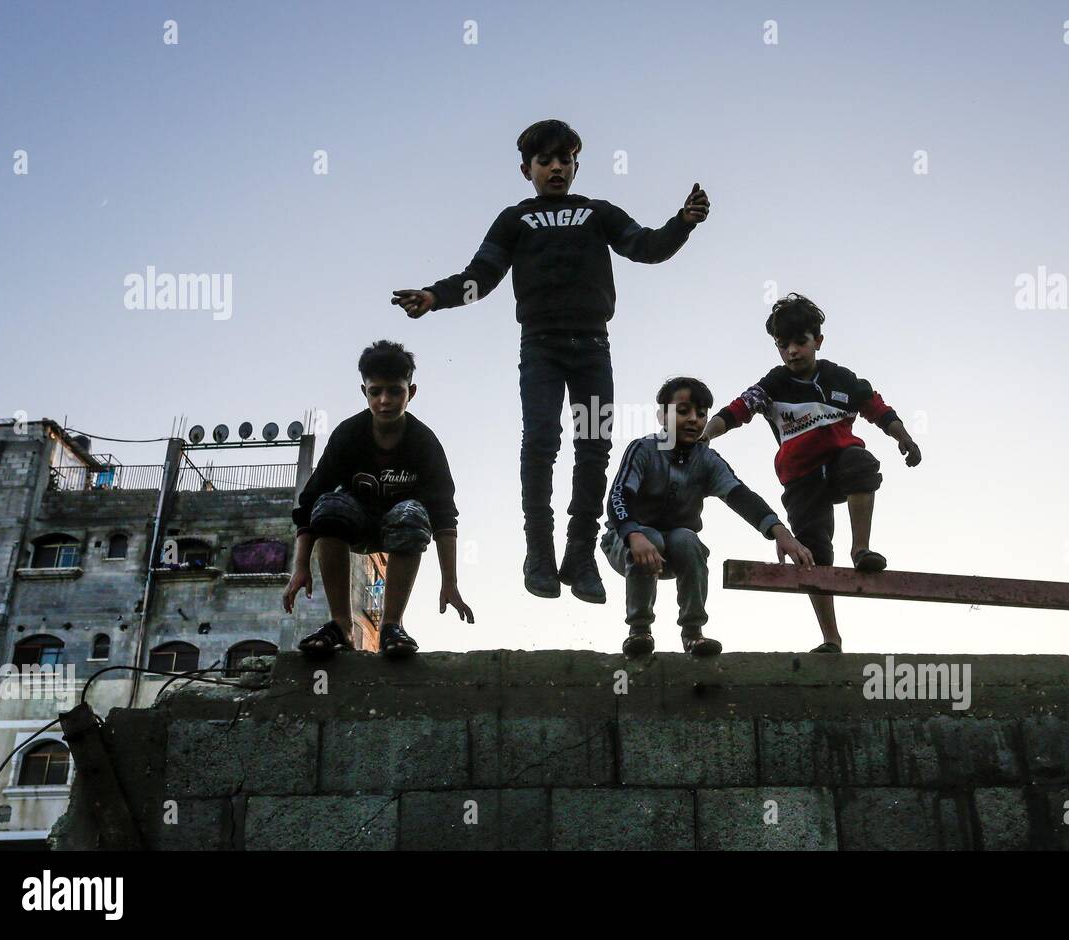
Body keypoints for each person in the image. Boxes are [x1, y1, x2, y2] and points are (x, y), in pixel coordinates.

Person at [391, 118, 710, 605]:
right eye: (546, 161)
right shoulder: (515, 219)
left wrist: (682, 222)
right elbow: (482, 275)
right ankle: (538, 552)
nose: (556, 168)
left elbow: (646, 247)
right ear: (527, 170)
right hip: (540, 346)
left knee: (593, 444)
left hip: (593, 347)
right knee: (541, 441)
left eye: (566, 160)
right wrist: (435, 295)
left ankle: (578, 555)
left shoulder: (597, 212)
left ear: (576, 165)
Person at [702, 293, 922, 653]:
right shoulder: (773, 384)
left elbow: (877, 407)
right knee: (814, 552)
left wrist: (905, 438)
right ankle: (831, 638)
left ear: (817, 341)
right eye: (783, 345)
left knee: (860, 462)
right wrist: (704, 437)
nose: (792, 352)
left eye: (800, 343)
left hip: (839, 465)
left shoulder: (840, 378)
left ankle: (861, 548)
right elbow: (737, 410)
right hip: (801, 477)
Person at [283, 340, 474, 658]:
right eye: (376, 392)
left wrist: (450, 583)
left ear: (410, 392)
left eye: (395, 391)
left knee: (413, 512)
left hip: (400, 529)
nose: (385, 401)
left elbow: (444, 516)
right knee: (328, 505)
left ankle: (391, 625)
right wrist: (300, 566)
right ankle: (341, 625)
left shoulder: (424, 443)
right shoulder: (348, 435)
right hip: (353, 525)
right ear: (364, 392)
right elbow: (309, 503)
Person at [602, 377, 814, 657]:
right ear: (661, 416)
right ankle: (639, 630)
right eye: (683, 411)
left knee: (687, 539)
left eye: (701, 414)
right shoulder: (644, 449)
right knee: (651, 535)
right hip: (628, 542)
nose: (693, 420)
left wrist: (780, 532)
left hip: (675, 549)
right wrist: (633, 534)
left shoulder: (706, 459)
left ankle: (693, 634)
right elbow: (617, 496)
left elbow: (741, 496)